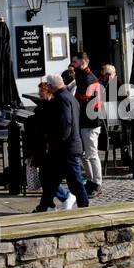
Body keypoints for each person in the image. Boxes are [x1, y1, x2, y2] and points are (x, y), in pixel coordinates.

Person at [33, 74, 88, 212]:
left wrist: (55, 142)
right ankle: (43, 207)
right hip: (67, 147)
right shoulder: (70, 97)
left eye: (49, 86)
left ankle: (85, 208)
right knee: (50, 179)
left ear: (52, 86)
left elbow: (66, 125)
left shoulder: (61, 99)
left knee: (74, 182)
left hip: (65, 148)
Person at [71, 52, 104, 197]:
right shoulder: (80, 76)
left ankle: (97, 184)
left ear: (83, 62)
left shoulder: (91, 79)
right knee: (84, 155)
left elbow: (86, 101)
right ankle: (90, 181)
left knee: (92, 154)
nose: (73, 64)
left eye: (75, 62)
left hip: (91, 123)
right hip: (82, 121)